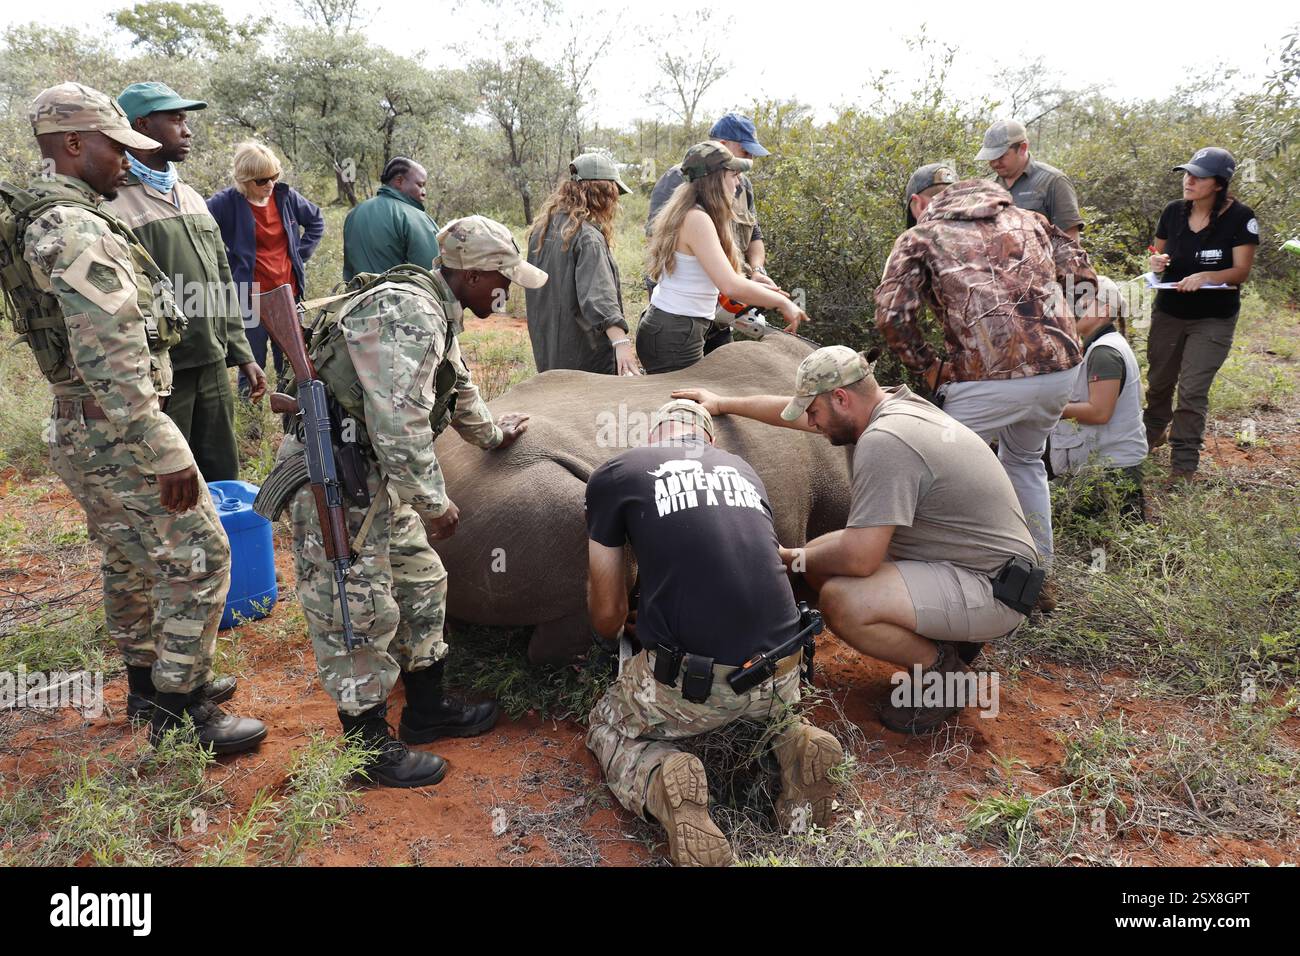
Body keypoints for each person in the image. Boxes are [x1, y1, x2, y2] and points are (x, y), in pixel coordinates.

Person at [2, 83, 264, 752]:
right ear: (71, 144)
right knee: (200, 554)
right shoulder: (78, 227)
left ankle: (150, 688)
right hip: (120, 428)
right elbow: (110, 349)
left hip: (84, 423)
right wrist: (162, 442)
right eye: (115, 146)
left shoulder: (43, 216)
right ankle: (185, 715)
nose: (126, 160)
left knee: (129, 558)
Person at [261, 216, 545, 787]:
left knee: (421, 581)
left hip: (377, 474)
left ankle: (425, 710)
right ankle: (367, 750)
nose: (505, 291)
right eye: (500, 277)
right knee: (354, 605)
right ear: (467, 273)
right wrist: (434, 503)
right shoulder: (409, 311)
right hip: (340, 477)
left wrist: (491, 435)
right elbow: (397, 424)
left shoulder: (436, 308)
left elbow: (455, 384)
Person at [672, 348, 1041, 735]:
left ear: (841, 398)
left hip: (992, 589)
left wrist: (783, 557)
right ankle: (946, 636)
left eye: (814, 412)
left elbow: (861, 559)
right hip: (970, 563)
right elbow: (791, 413)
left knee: (842, 599)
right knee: (817, 557)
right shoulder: (888, 404)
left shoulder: (886, 441)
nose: (812, 423)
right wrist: (723, 403)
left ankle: (943, 674)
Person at [584, 399, 844, 866]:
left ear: (652, 435)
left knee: (607, 724)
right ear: (709, 441)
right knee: (764, 710)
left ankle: (659, 773)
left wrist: (627, 617)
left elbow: (606, 615)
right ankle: (793, 737)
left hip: (695, 687)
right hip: (784, 670)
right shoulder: (743, 470)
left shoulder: (619, 472)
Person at [874, 172, 1095, 597]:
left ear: (919, 202)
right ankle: (1037, 576)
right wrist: (1052, 329)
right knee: (1026, 461)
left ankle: (943, 580)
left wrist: (930, 367)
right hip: (1060, 371)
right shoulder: (1030, 219)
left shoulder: (921, 236)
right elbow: (1084, 277)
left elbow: (891, 316)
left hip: (986, 379)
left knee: (937, 473)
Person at [108, 83, 266, 482]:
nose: (187, 130)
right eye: (176, 120)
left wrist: (241, 352)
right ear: (141, 125)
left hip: (211, 363)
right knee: (168, 481)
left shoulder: (192, 197)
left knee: (221, 476)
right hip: (161, 373)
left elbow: (222, 280)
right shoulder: (113, 203)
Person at [639, 141, 806, 374]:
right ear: (715, 179)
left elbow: (715, 275)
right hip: (676, 331)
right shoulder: (697, 219)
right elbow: (729, 285)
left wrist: (754, 281)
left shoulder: (694, 212)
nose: (738, 183)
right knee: (686, 407)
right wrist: (782, 302)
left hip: (677, 326)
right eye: (734, 175)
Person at [1144, 147, 1259, 481]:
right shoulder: (1173, 212)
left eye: (1199, 176)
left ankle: (1183, 465)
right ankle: (1151, 435)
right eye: (1186, 173)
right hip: (1169, 312)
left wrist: (1208, 277)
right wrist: (1156, 262)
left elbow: (1240, 271)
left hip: (1213, 317)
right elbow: (1157, 251)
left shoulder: (1240, 218)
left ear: (1219, 183)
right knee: (1159, 383)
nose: (1189, 180)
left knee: (1192, 390)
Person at [646, 113, 774, 355]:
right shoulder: (679, 178)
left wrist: (756, 272)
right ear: (722, 146)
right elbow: (660, 245)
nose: (749, 160)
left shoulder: (742, 184)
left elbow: (754, 235)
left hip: (725, 300)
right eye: (745, 152)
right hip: (684, 308)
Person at [207, 141, 325, 392]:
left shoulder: (285, 197)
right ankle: (251, 427)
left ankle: (295, 426)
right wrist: (224, 268)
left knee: (293, 365)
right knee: (251, 363)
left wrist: (299, 255)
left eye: (274, 176)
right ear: (244, 180)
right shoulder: (225, 204)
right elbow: (200, 230)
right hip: (251, 300)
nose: (270, 184)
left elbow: (316, 220)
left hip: (288, 295)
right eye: (261, 180)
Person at [524, 152, 639, 375]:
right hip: (585, 358)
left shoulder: (542, 229)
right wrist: (621, 343)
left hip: (549, 353)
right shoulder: (587, 238)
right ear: (603, 194)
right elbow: (599, 299)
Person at [1048, 276, 1147, 518]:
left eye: (1081, 302)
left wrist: (1047, 408)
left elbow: (1099, 412)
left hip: (1111, 473)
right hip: (1103, 469)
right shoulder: (1101, 345)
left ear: (1103, 309)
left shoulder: (1104, 352)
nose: (1071, 308)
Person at [976, 118, 1084, 241]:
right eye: (990, 157)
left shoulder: (1053, 181)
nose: (995, 163)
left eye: (1001, 156)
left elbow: (1070, 241)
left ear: (1023, 148)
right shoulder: (988, 187)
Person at [342, 156, 440, 282]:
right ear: (399, 181)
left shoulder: (354, 213)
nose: (424, 192)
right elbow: (432, 275)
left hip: (357, 298)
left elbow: (349, 271)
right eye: (420, 185)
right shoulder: (415, 218)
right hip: (397, 300)